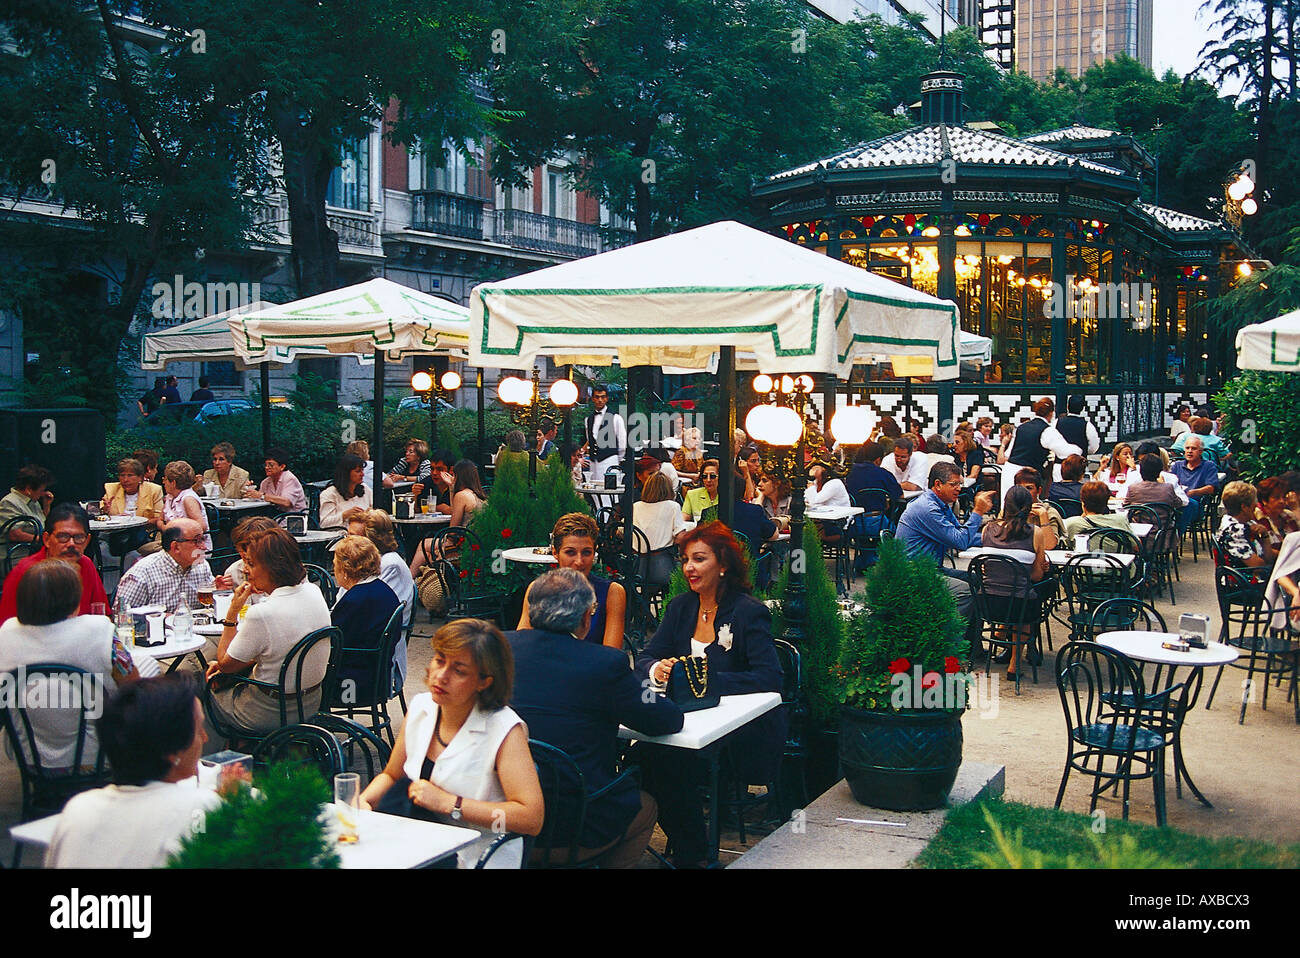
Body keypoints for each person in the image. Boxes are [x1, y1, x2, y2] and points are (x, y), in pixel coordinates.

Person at [634, 522, 785, 868]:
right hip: (684, 723)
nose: (689, 567)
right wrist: (658, 669)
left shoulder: (748, 611)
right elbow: (644, 656)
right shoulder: (680, 607)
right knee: (642, 757)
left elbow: (769, 677)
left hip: (739, 730)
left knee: (666, 762)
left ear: (723, 565)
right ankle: (694, 850)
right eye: (686, 559)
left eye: (699, 559)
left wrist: (701, 679)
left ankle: (693, 853)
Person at [509, 570, 684, 867]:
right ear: (585, 620)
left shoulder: (497, 648)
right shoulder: (604, 663)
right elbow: (666, 720)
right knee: (645, 806)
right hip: (568, 826)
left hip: (501, 818)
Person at [358, 619, 544, 868]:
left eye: (459, 670)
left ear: (484, 681)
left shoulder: (504, 730)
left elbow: (531, 817)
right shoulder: (422, 707)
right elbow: (393, 774)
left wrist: (452, 804)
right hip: (419, 843)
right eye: (440, 660)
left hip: (476, 855)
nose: (441, 676)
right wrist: (363, 804)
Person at [45, 674, 223, 869]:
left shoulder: (79, 809)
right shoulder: (201, 806)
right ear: (171, 750)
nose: (205, 738)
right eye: (198, 730)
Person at [0, 560, 154, 773]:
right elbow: (133, 685)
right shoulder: (98, 630)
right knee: (149, 672)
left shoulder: (6, 633)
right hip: (96, 757)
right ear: (73, 598)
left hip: (30, 759)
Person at [205, 527, 332, 736]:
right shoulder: (313, 591)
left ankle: (217, 761)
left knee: (201, 690)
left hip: (269, 711)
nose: (246, 570)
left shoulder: (262, 613)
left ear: (274, 567)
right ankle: (246, 747)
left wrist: (232, 613)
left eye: (252, 564)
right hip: (309, 702)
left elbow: (226, 664)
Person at [895, 461, 995, 625]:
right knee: (966, 593)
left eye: (960, 484)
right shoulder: (927, 508)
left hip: (932, 568)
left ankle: (972, 649)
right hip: (914, 574)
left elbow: (962, 534)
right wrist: (977, 511)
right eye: (954, 484)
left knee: (980, 581)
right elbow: (961, 541)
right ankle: (949, 642)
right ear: (937, 485)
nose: (959, 488)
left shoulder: (941, 504)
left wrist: (997, 537)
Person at [978, 486, 1057, 681]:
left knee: (1016, 592)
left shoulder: (988, 529)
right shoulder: (1035, 533)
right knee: (1034, 593)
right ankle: (1015, 662)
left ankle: (1002, 629)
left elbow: (986, 568)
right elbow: (1037, 577)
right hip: (1019, 607)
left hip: (987, 603)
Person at [518, 513, 626, 649]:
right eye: (570, 552)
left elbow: (612, 656)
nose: (579, 561)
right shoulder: (537, 589)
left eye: (586, 552)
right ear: (555, 553)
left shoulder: (612, 593)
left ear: (594, 553)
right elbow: (523, 644)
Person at [0, 503, 110, 624]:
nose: (71, 544)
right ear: (46, 539)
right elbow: (7, 627)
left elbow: (102, 615)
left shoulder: (86, 564)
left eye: (79, 537)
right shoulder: (25, 572)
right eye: (63, 537)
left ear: (87, 541)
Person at [331, 536, 402, 692]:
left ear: (345, 569)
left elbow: (333, 643)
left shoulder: (354, 601)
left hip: (352, 686)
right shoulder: (384, 590)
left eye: (335, 565)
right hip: (378, 677)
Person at [116, 519, 214, 612]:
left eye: (203, 539)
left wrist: (219, 593)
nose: (204, 547)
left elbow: (209, 607)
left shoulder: (202, 566)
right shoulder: (143, 573)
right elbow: (122, 615)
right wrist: (160, 617)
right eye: (196, 541)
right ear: (176, 547)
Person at [409, 460, 487, 577]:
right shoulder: (480, 497)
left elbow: (452, 530)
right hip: (476, 546)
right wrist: (451, 487)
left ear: (458, 476)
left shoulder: (462, 495)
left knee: (423, 545)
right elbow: (454, 510)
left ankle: (409, 581)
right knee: (429, 553)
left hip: (464, 548)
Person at [999, 398, 1081, 500]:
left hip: (1009, 471)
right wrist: (1080, 450)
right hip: (1026, 476)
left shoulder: (1021, 427)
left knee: (1007, 507)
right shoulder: (1047, 430)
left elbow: (1009, 453)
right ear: (1051, 413)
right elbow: (1065, 452)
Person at [100, 457, 165, 560]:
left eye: (130, 475)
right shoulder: (111, 489)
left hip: (143, 534)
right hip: (114, 535)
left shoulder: (154, 490)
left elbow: (159, 518)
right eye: (122, 475)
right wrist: (105, 510)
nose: (125, 480)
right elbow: (100, 516)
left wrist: (136, 521)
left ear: (140, 477)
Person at [1215, 482, 1278, 570]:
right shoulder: (1234, 530)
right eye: (1254, 504)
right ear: (1244, 507)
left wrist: (1265, 536)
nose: (1256, 506)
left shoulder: (1246, 523)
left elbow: (1268, 556)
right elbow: (1258, 565)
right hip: (1244, 579)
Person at [1170, 435, 1221, 535]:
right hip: (1177, 502)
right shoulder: (1177, 465)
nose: (1189, 451)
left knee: (1188, 504)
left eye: (1193, 449)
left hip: (1196, 505)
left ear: (1200, 451)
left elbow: (1211, 488)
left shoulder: (1208, 466)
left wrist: (1194, 492)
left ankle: (1175, 537)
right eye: (1187, 448)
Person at [158, 460, 211, 551]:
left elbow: (202, 526)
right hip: (173, 543)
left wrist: (173, 531)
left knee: (140, 554)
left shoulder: (188, 499)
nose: (163, 482)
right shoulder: (169, 497)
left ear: (173, 483)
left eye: (165, 479)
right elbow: (160, 520)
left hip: (193, 547)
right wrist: (166, 529)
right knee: (136, 552)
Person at [213, 516, 277, 590]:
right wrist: (222, 592)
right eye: (242, 551)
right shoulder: (233, 572)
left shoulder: (285, 570)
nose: (245, 555)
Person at [0, 464, 54, 547]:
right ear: (29, 489)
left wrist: (46, 505)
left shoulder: (34, 502)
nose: (43, 494)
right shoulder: (9, 502)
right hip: (17, 555)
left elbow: (43, 526)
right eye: (41, 490)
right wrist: (43, 539)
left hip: (33, 551)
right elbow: (14, 534)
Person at [1063, 481, 1137, 541]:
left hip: (1083, 559)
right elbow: (1136, 546)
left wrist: (1084, 514)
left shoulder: (1072, 523)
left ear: (1083, 503)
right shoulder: (1120, 520)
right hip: (1115, 559)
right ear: (1106, 501)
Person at [585, 384, 626, 485]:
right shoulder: (588, 419)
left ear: (607, 398)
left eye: (603, 397)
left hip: (609, 460)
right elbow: (590, 439)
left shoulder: (616, 418)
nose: (600, 400)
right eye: (597, 397)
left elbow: (622, 443)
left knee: (609, 492)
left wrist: (617, 459)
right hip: (593, 462)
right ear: (593, 399)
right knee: (594, 490)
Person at [633, 471, 687, 550]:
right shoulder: (672, 506)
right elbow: (680, 537)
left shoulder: (636, 506)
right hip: (663, 557)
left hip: (638, 558)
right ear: (668, 489)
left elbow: (621, 531)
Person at [244, 447, 307, 513]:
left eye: (271, 465)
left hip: (293, 519)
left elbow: (286, 502)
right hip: (274, 517)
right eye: (266, 465)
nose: (267, 467)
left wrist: (261, 496)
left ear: (282, 467)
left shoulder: (290, 479)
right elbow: (260, 500)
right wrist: (250, 492)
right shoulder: (266, 482)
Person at [318, 453, 372, 530]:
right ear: (346, 473)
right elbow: (324, 523)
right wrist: (344, 515)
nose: (362, 474)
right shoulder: (330, 494)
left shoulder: (366, 490)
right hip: (341, 537)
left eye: (362, 470)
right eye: (358, 471)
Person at [1013, 468, 1068, 541]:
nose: (1024, 492)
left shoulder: (1048, 512)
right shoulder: (1010, 508)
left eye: (1029, 488)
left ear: (1039, 491)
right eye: (1019, 488)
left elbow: (1049, 545)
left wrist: (1043, 516)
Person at [1119, 454, 1188, 509]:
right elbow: (1180, 503)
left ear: (1141, 471)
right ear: (1160, 472)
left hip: (1138, 524)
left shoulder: (1133, 488)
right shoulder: (1168, 487)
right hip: (1163, 524)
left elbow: (1125, 505)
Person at [1255, 476, 1300, 551]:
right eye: (1277, 497)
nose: (1282, 501)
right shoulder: (1259, 519)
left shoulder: (1288, 515)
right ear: (1264, 500)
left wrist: (1296, 509)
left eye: (1283, 497)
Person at [1056, 394, 1101, 459]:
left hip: (1060, 464)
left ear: (1067, 406)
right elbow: (1094, 447)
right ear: (1082, 408)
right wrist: (1083, 451)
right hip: (1080, 465)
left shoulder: (1057, 422)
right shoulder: (1087, 425)